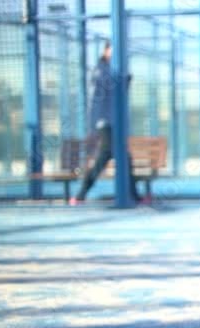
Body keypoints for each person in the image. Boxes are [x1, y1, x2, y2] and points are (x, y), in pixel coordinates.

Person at [71, 41, 147, 205]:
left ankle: (82, 194)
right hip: (105, 124)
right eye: (114, 49)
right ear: (106, 50)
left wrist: (126, 81)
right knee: (110, 156)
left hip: (116, 123)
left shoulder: (116, 69)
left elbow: (119, 97)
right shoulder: (101, 71)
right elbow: (95, 100)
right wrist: (92, 125)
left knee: (121, 158)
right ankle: (81, 194)